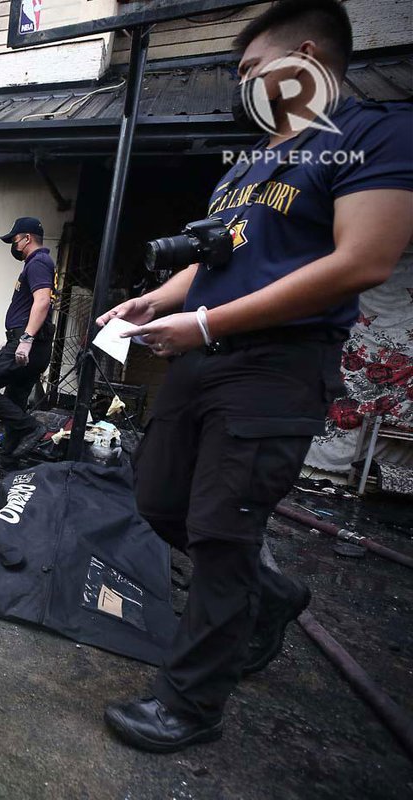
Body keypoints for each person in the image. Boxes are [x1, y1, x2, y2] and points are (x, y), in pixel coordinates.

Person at [99, 0, 413, 753]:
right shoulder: (248, 163)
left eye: (249, 69)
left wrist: (207, 322)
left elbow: (361, 261)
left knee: (221, 536)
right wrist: (155, 300)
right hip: (201, 360)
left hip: (276, 366)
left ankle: (189, 705)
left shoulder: (376, 135)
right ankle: (270, 595)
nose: (242, 84)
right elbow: (218, 264)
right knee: (158, 499)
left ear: (303, 56)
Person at [0, 216, 54, 473]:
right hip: (27, 340)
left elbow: (42, 302)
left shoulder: (38, 262)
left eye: (15, 239)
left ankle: (32, 428)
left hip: (30, 341)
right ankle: (8, 460)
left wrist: (25, 339)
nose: (13, 245)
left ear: (27, 238)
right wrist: (13, 337)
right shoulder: (39, 263)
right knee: (15, 401)